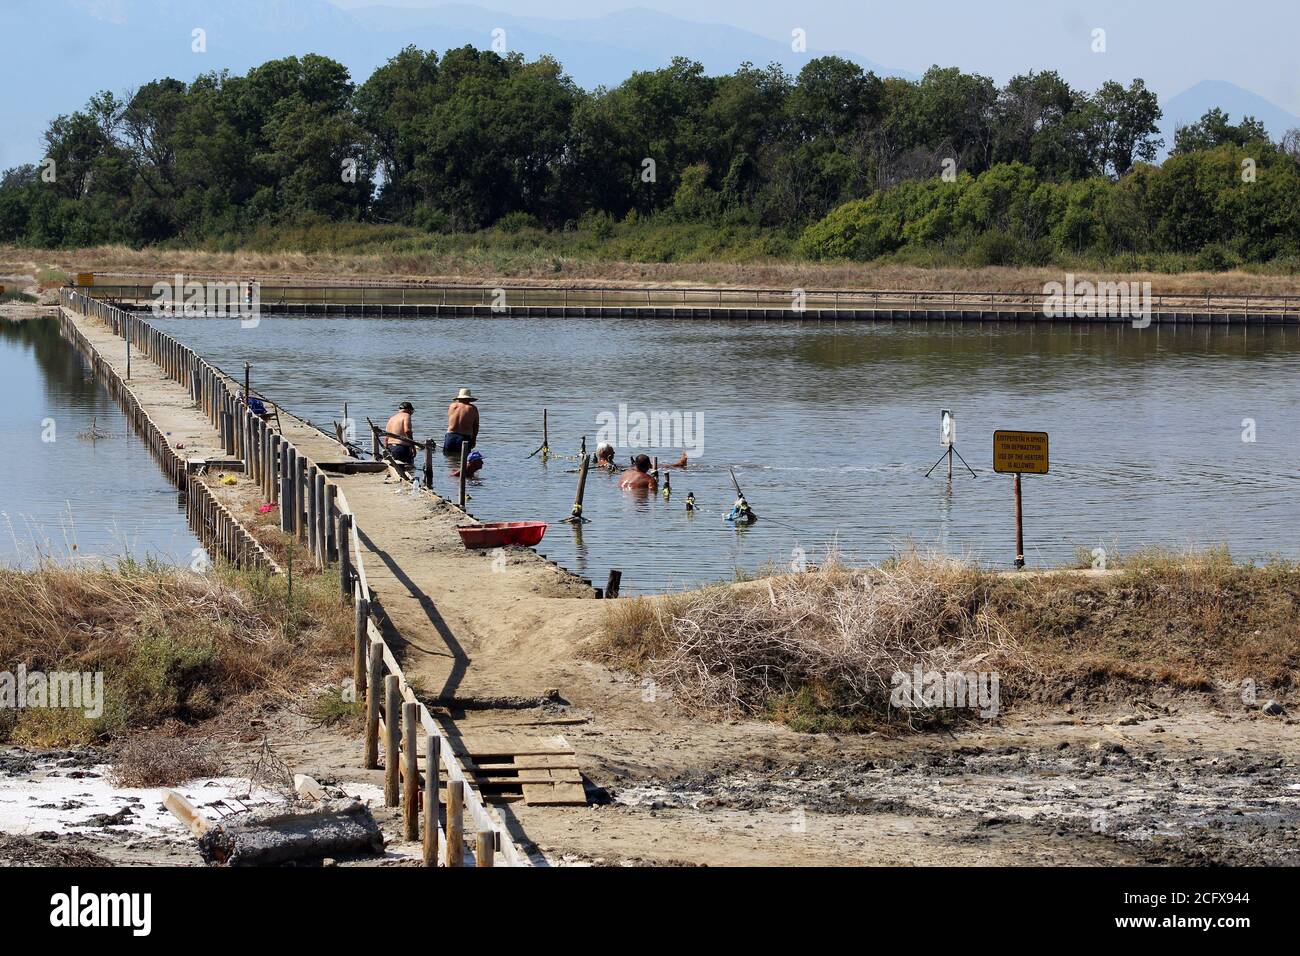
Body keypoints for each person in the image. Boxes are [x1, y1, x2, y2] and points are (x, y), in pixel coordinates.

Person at [444, 387, 479, 457]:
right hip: (464, 437)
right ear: (469, 399)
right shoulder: (472, 408)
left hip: (450, 436)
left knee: (450, 461)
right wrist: (474, 440)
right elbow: (476, 426)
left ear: (459, 398)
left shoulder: (452, 406)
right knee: (463, 460)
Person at [384, 401, 416, 466]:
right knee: (408, 468)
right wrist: (413, 447)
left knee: (395, 467)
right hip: (401, 449)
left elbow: (386, 437)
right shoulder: (406, 415)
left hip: (390, 447)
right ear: (409, 410)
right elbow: (407, 431)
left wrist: (386, 449)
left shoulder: (392, 418)